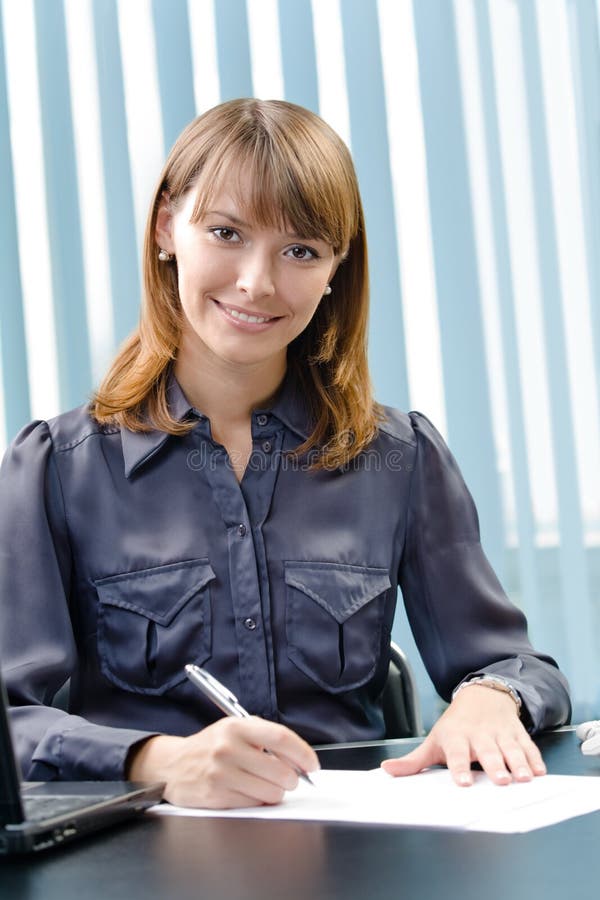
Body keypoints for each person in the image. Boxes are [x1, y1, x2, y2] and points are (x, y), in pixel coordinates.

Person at [0, 98, 570, 809]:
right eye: (226, 232)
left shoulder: (401, 458)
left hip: (358, 852)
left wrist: (492, 696)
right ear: (166, 227)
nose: (257, 283)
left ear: (336, 267)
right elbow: (11, 719)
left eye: (300, 250)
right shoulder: (55, 468)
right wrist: (157, 759)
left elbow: (515, 665)